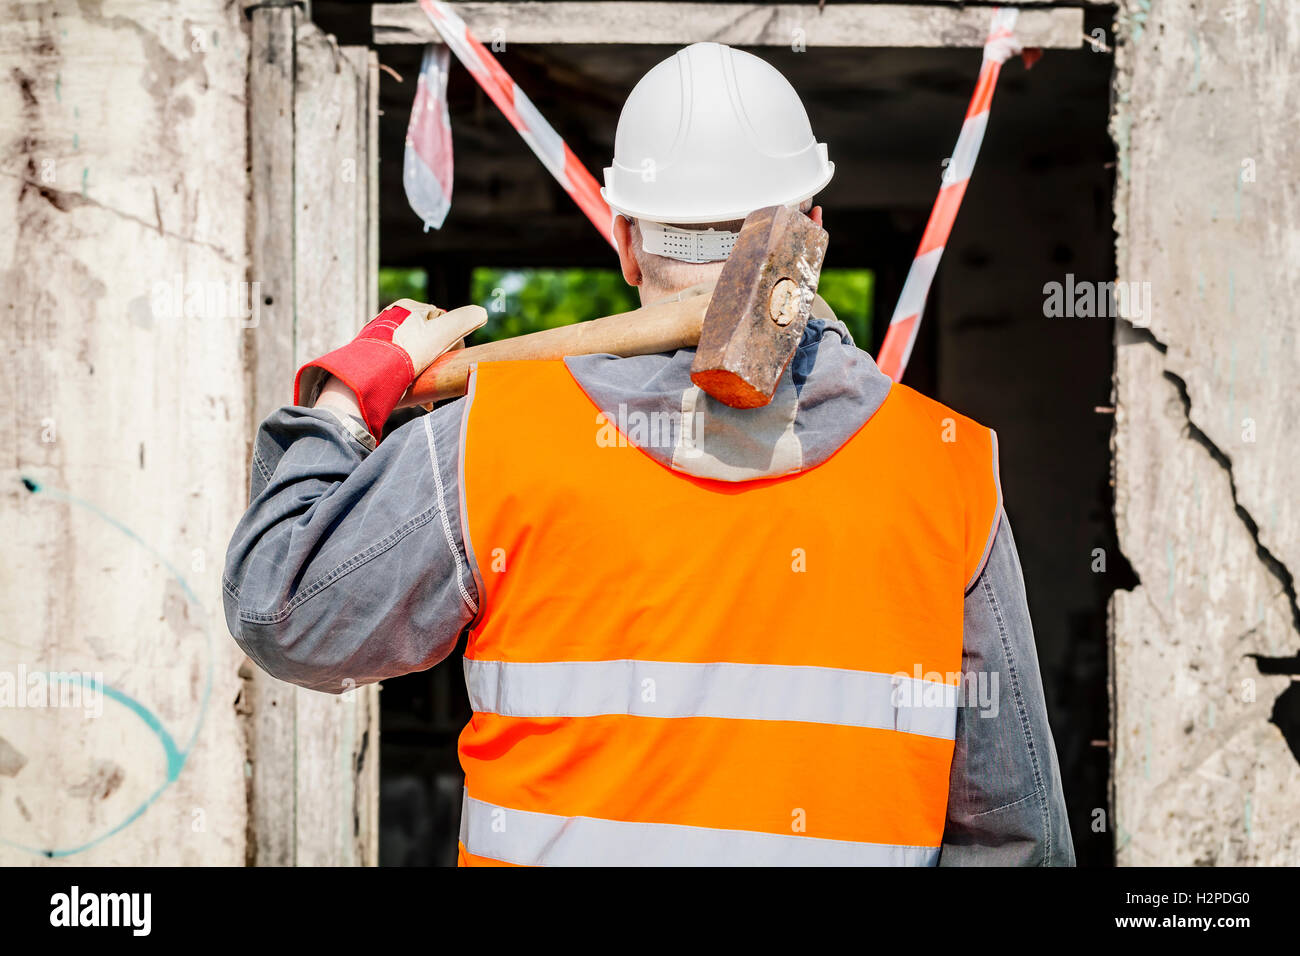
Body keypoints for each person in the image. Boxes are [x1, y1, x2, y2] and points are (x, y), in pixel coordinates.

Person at [225, 41, 1073, 866]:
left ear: (626, 241)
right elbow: (1011, 832)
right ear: (813, 231)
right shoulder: (945, 461)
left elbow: (282, 612)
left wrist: (341, 401)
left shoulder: (496, 440)